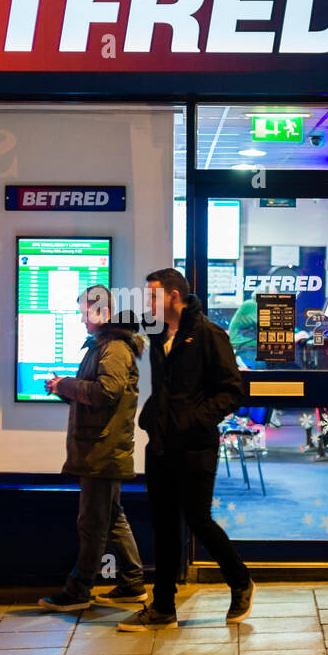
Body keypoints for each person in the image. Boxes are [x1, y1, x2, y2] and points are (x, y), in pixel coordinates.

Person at [118, 268, 255, 631]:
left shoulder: (209, 335)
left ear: (173, 297)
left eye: (152, 295)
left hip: (195, 447)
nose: (148, 302)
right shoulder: (160, 332)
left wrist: (193, 419)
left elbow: (232, 391)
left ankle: (240, 581)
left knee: (198, 520)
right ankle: (163, 607)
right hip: (160, 446)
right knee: (163, 527)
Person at [39, 285, 148, 611]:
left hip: (102, 450)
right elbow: (99, 393)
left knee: (92, 524)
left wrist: (65, 385)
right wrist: (63, 388)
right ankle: (131, 584)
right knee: (112, 518)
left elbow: (106, 392)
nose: (82, 319)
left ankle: (78, 591)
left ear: (101, 312)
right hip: (101, 448)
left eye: (84, 313)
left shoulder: (113, 347)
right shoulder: (105, 345)